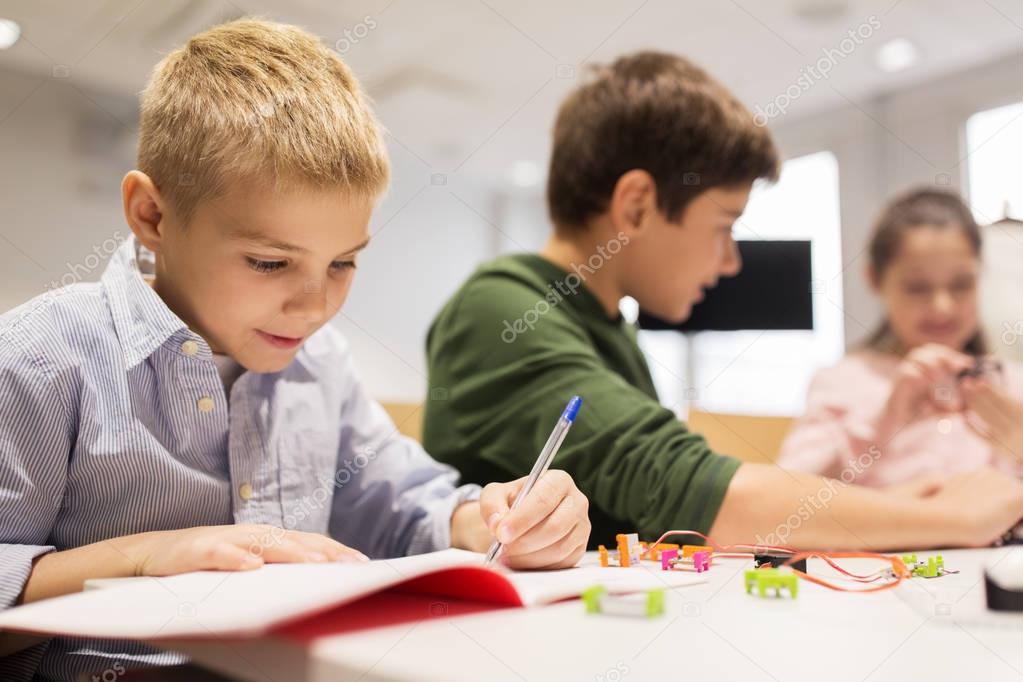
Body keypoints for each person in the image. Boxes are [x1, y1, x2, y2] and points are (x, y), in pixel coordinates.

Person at [0, 19, 590, 680]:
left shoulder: (319, 364)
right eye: (269, 263)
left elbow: (404, 506)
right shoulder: (43, 358)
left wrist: (494, 520)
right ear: (152, 217)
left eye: (342, 264)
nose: (315, 307)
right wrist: (140, 559)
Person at [422, 51, 1023, 555]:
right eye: (724, 225)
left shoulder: (609, 328)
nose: (731, 261)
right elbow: (701, 496)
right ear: (636, 206)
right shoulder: (500, 311)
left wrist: (895, 506)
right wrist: (959, 518)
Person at [779, 187, 1023, 484]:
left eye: (961, 284)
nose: (942, 306)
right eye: (918, 287)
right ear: (875, 279)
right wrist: (880, 422)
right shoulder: (843, 383)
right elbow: (789, 495)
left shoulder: (1010, 383)